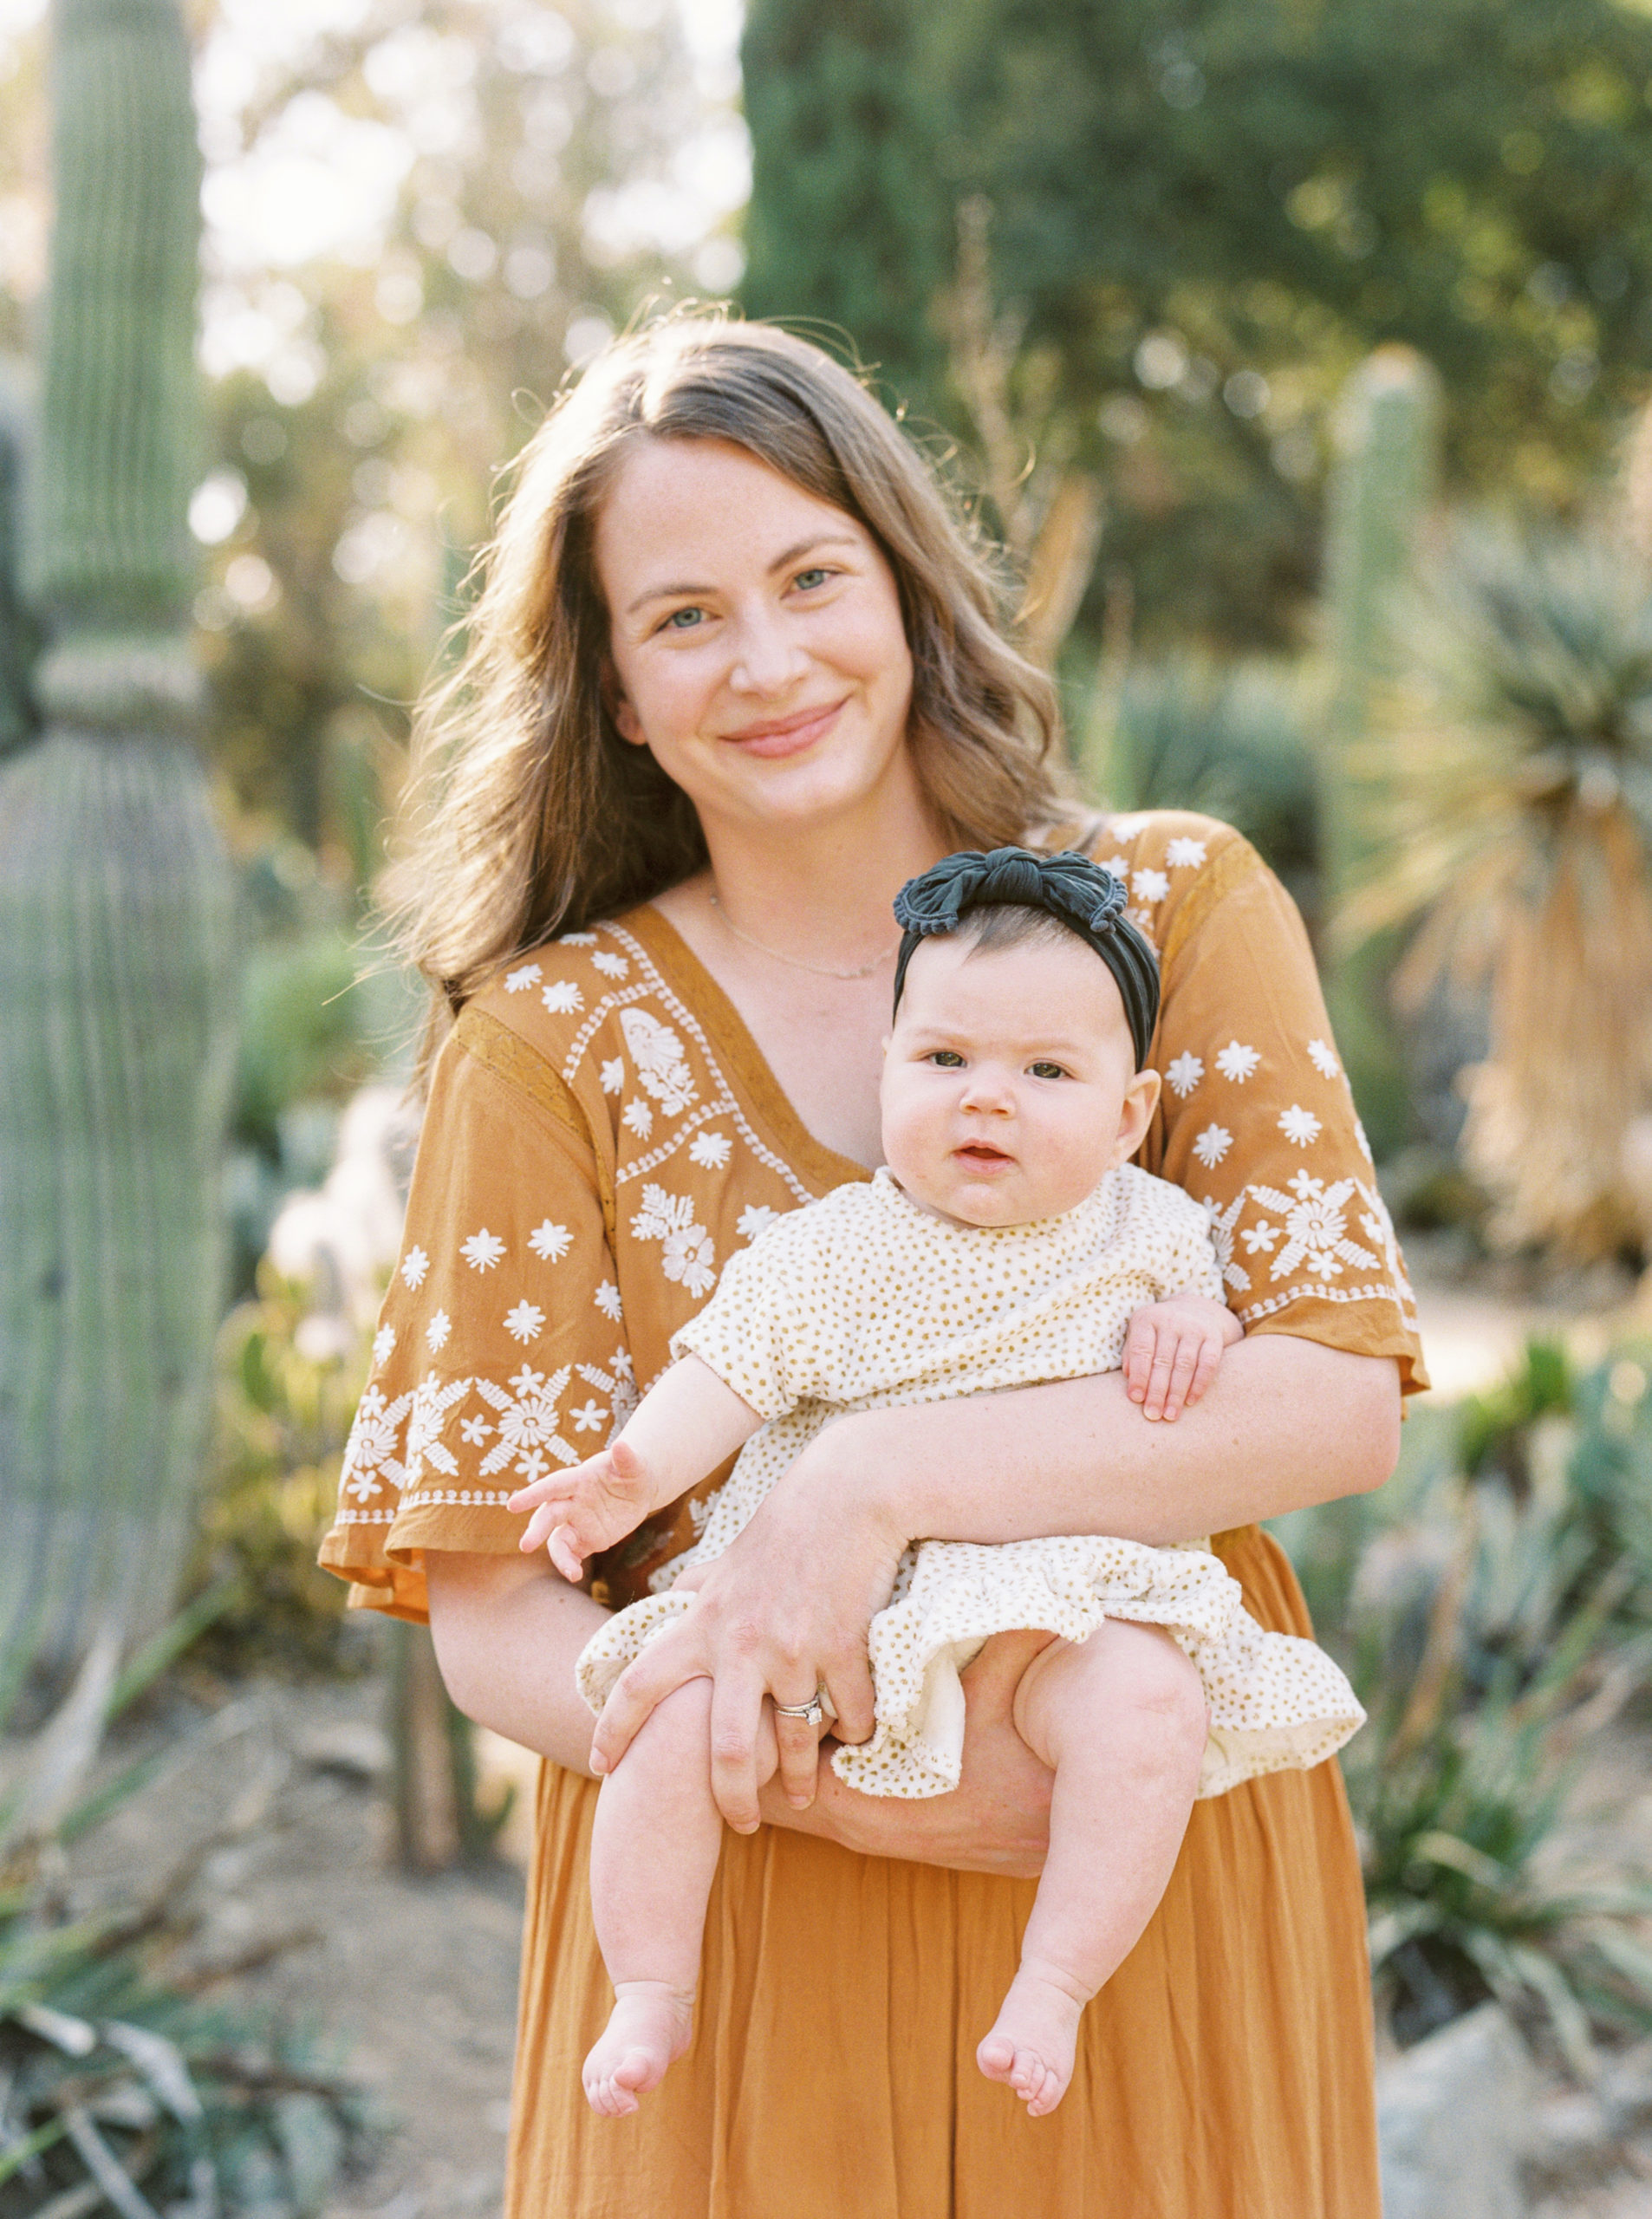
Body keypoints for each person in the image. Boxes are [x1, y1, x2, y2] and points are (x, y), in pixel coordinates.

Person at [318, 312, 1426, 2218]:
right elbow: (492, 1591)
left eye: (809, 576)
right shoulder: (546, 1043)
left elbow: (1327, 1399)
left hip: (1130, 1868)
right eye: (680, 619)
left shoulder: (1174, 910)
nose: (765, 661)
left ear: (904, 587)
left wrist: (872, 1481)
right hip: (736, 1930)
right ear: (613, 695)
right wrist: (841, 1770)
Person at [508, 844, 1366, 2123]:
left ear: (1128, 1116)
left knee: (1146, 1708)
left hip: (1059, 1610)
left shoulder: (1150, 1229)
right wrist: (624, 1481)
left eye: (1045, 1073)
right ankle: (651, 1986)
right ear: (888, 1067)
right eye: (945, 1061)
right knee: (671, 1728)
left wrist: (1199, 1329)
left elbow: (1220, 1346)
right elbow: (725, 1371)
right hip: (836, 1621)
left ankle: (1056, 1983)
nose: (988, 1101)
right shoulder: (839, 1247)